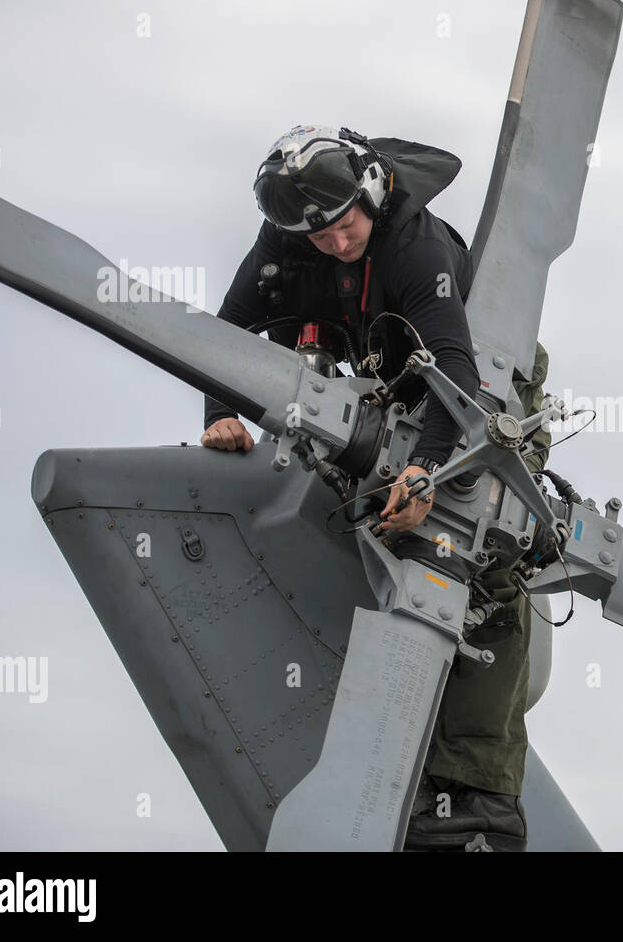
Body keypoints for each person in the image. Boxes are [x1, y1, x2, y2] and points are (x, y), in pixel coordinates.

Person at [200, 125, 551, 851]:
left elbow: (455, 369)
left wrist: (426, 468)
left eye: (344, 226)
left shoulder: (411, 246)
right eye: (318, 236)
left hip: (486, 395)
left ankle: (479, 798)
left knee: (479, 553)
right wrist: (220, 414)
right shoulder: (287, 243)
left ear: (366, 193)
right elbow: (225, 331)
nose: (335, 243)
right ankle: (408, 776)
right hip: (387, 391)